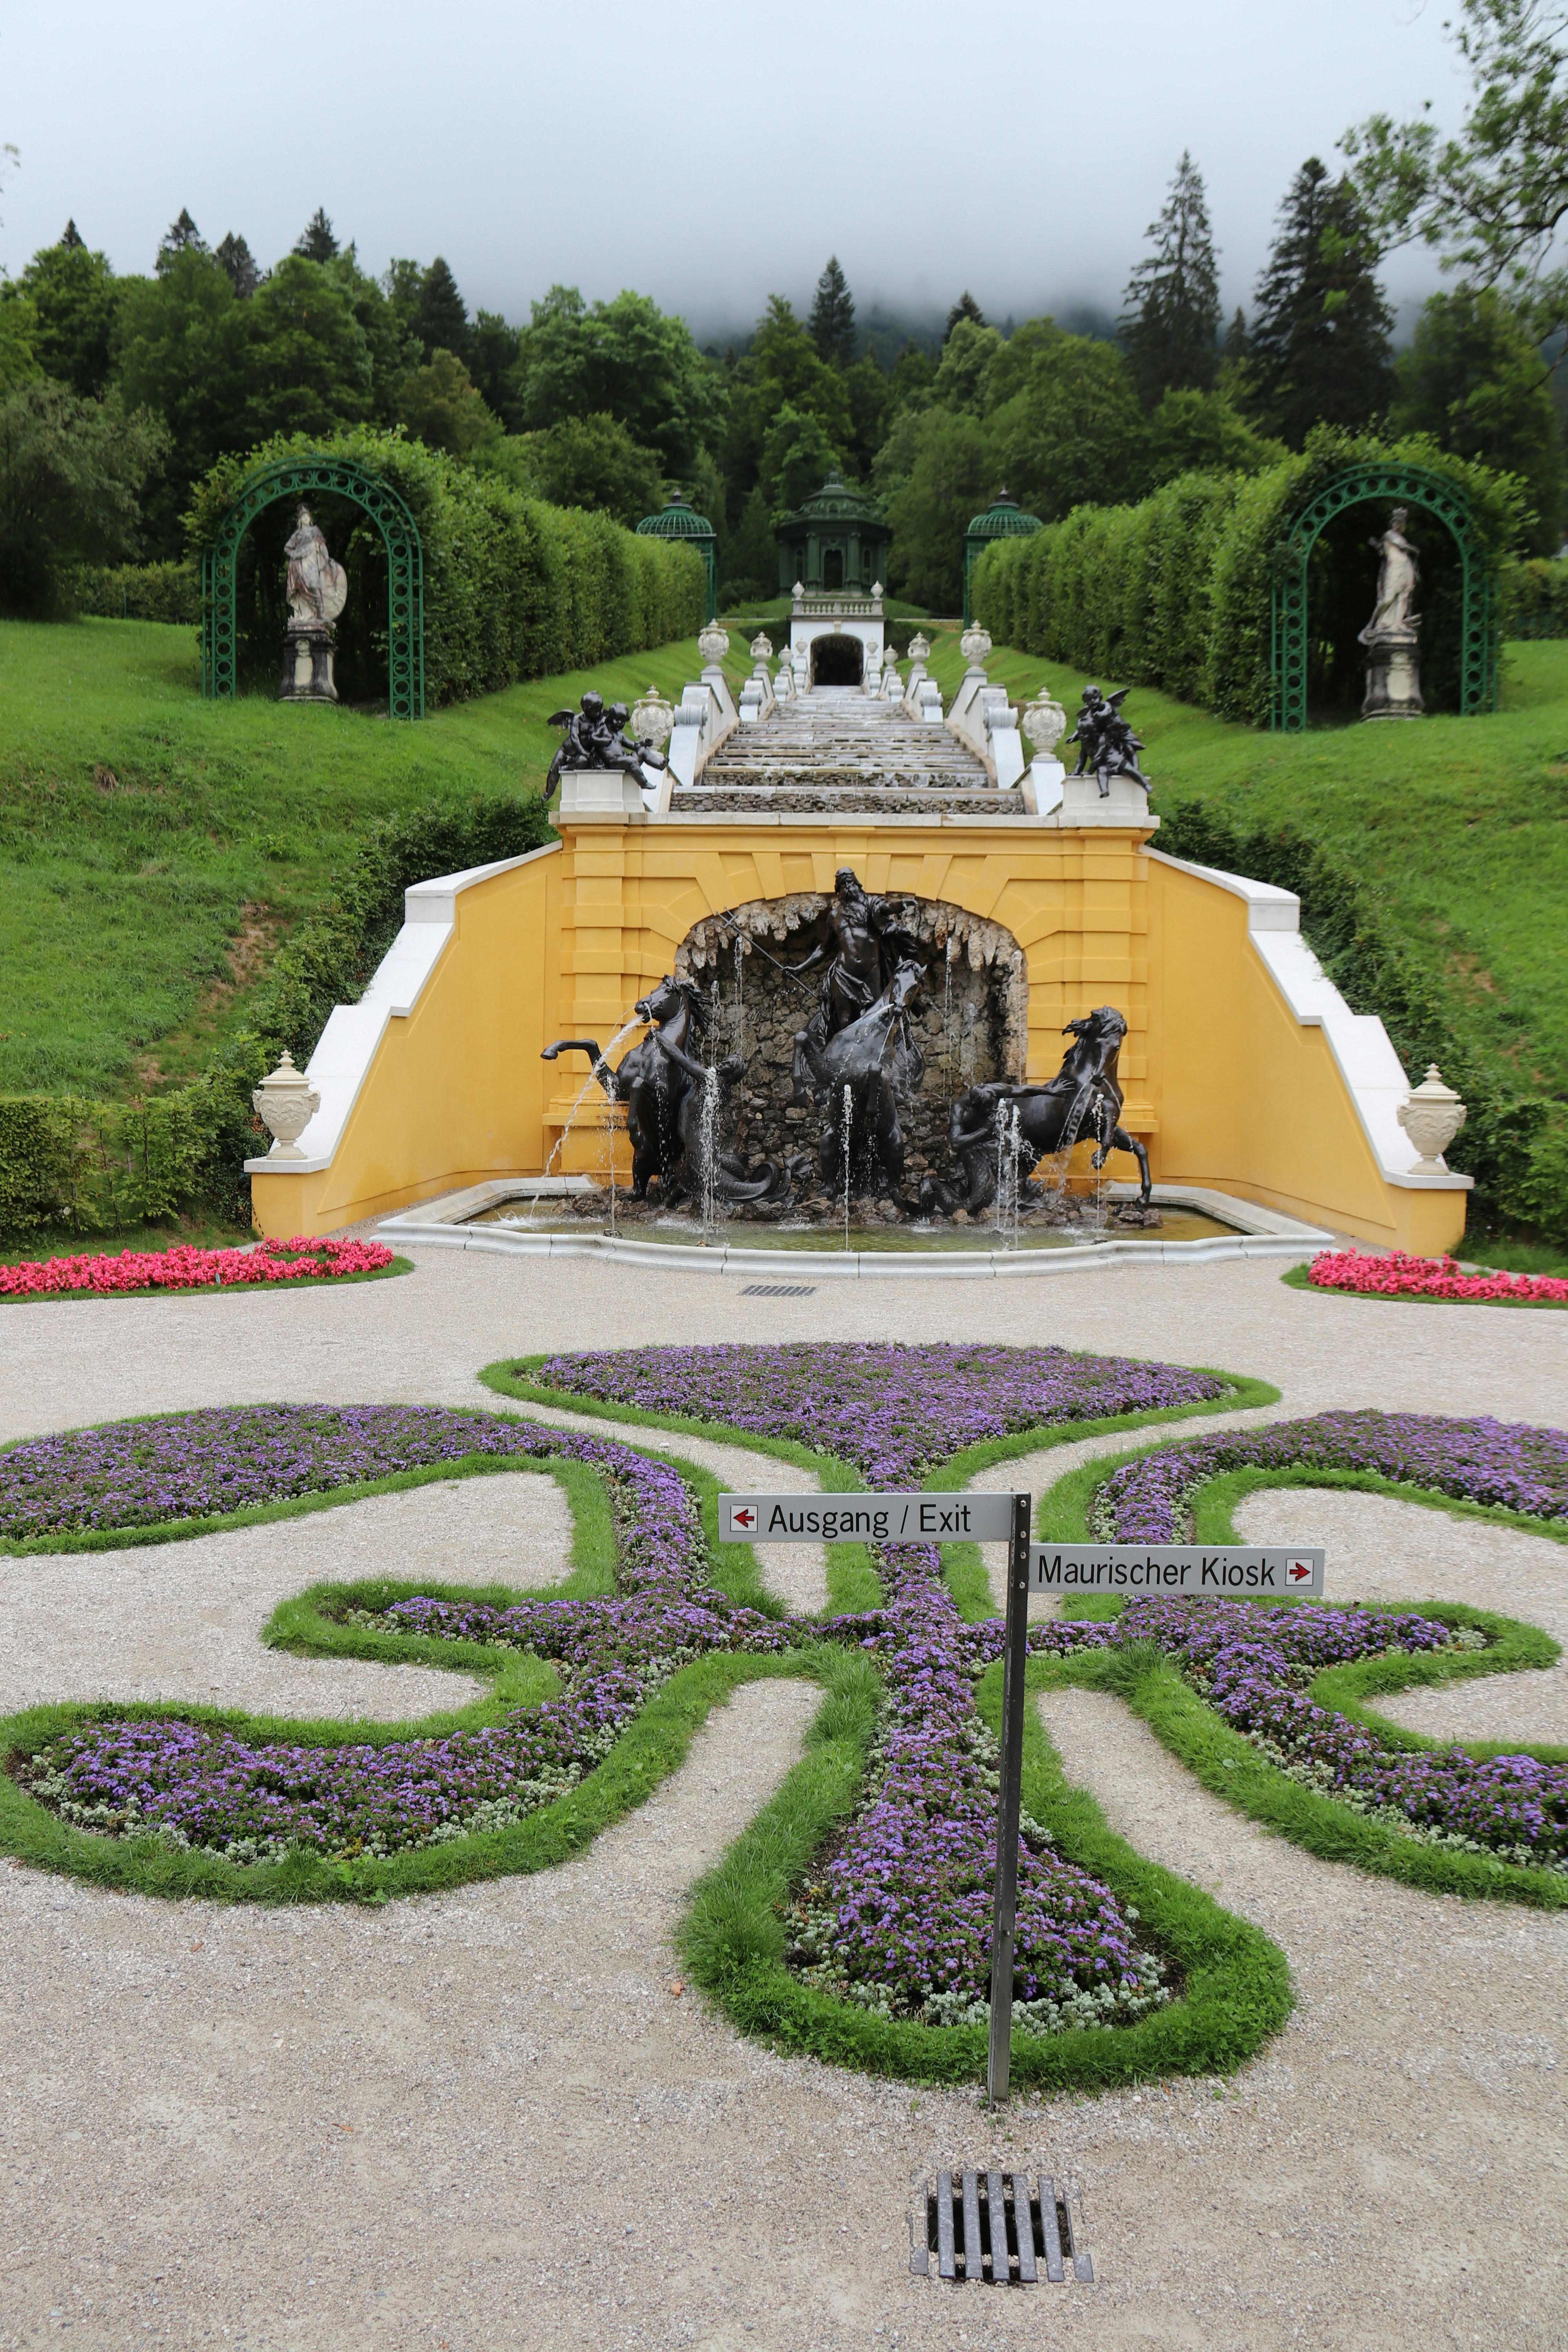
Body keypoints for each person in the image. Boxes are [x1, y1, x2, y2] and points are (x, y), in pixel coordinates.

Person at [1359, 508, 1419, 641]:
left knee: (1404, 597)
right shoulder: (1390, 535)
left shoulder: (1400, 537)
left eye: (1401, 522)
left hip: (1406, 568)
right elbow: (1402, 546)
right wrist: (1415, 550)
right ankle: (1371, 625)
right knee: (1388, 599)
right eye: (1397, 522)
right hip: (1395, 569)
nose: (1398, 525)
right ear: (1394, 523)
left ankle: (1398, 624)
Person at [284, 505, 347, 626]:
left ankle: (320, 613)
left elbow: (322, 546)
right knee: (301, 588)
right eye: (303, 517)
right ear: (300, 520)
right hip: (300, 564)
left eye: (307, 516)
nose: (306, 518)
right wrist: (295, 555)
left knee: (313, 585)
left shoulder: (315, 531)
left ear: (310, 518)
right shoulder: (298, 534)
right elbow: (288, 548)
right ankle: (306, 614)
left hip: (312, 562)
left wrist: (326, 558)